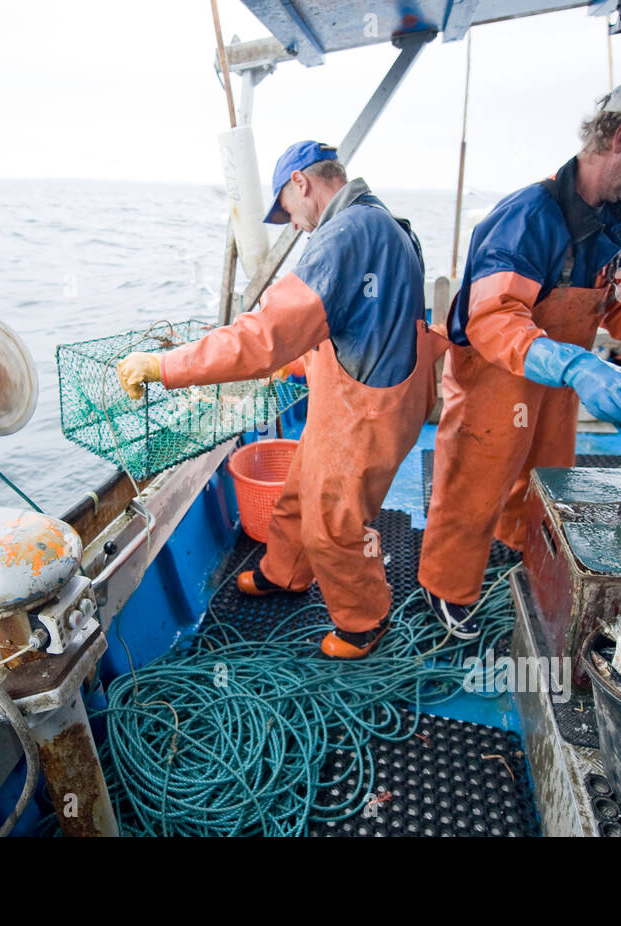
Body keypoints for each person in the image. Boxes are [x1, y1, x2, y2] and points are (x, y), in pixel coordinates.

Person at [419, 75, 621, 639]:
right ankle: (447, 586)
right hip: (497, 378)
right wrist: (575, 365)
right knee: (473, 485)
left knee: (541, 476)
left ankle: (515, 552)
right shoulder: (529, 216)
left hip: (559, 382)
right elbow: (491, 318)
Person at [118, 140, 447, 658]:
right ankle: (285, 572)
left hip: (368, 409)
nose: (293, 225)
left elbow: (264, 337)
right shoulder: (384, 221)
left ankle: (365, 621)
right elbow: (358, 322)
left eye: (287, 211)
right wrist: (300, 360)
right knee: (299, 490)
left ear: (302, 182)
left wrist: (165, 365)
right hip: (364, 390)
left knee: (333, 523)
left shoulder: (344, 233)